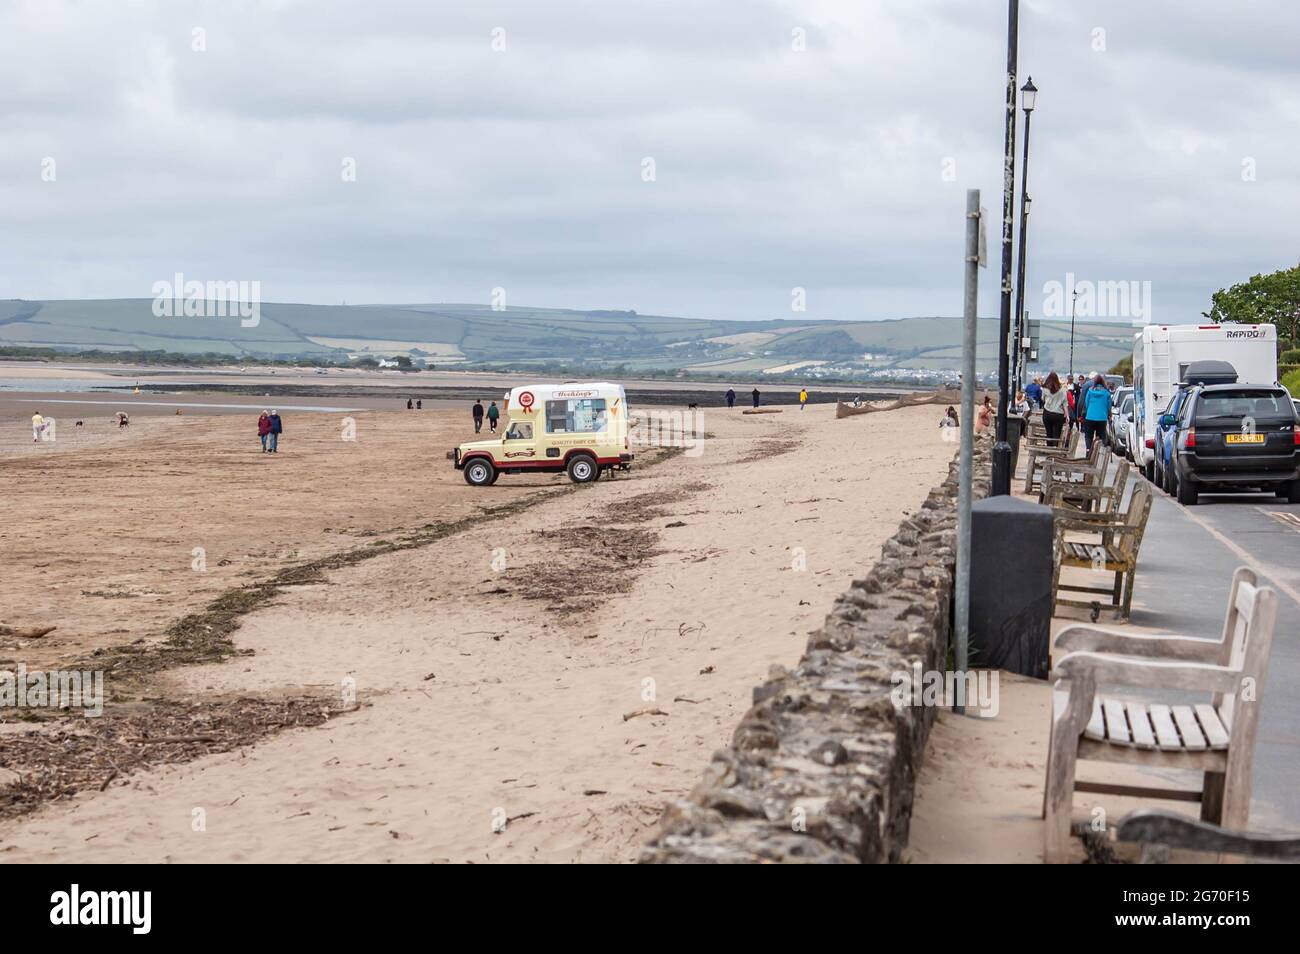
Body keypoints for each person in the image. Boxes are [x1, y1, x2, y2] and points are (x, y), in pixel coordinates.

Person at [1081, 373, 1112, 452]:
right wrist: (1109, 415)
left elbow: (1086, 403)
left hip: (1090, 417)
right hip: (1102, 417)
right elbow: (1109, 406)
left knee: (1088, 436)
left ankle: (1088, 450)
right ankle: (1099, 451)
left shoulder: (1090, 391)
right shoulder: (1106, 393)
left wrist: (1089, 411)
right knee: (1101, 436)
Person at [1040, 372, 1067, 445]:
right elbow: (1065, 403)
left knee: (1049, 432)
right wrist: (1066, 415)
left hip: (1047, 413)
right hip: (1059, 414)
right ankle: (1055, 449)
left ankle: (1049, 448)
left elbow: (1042, 399)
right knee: (1057, 433)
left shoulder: (1045, 388)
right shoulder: (1062, 390)